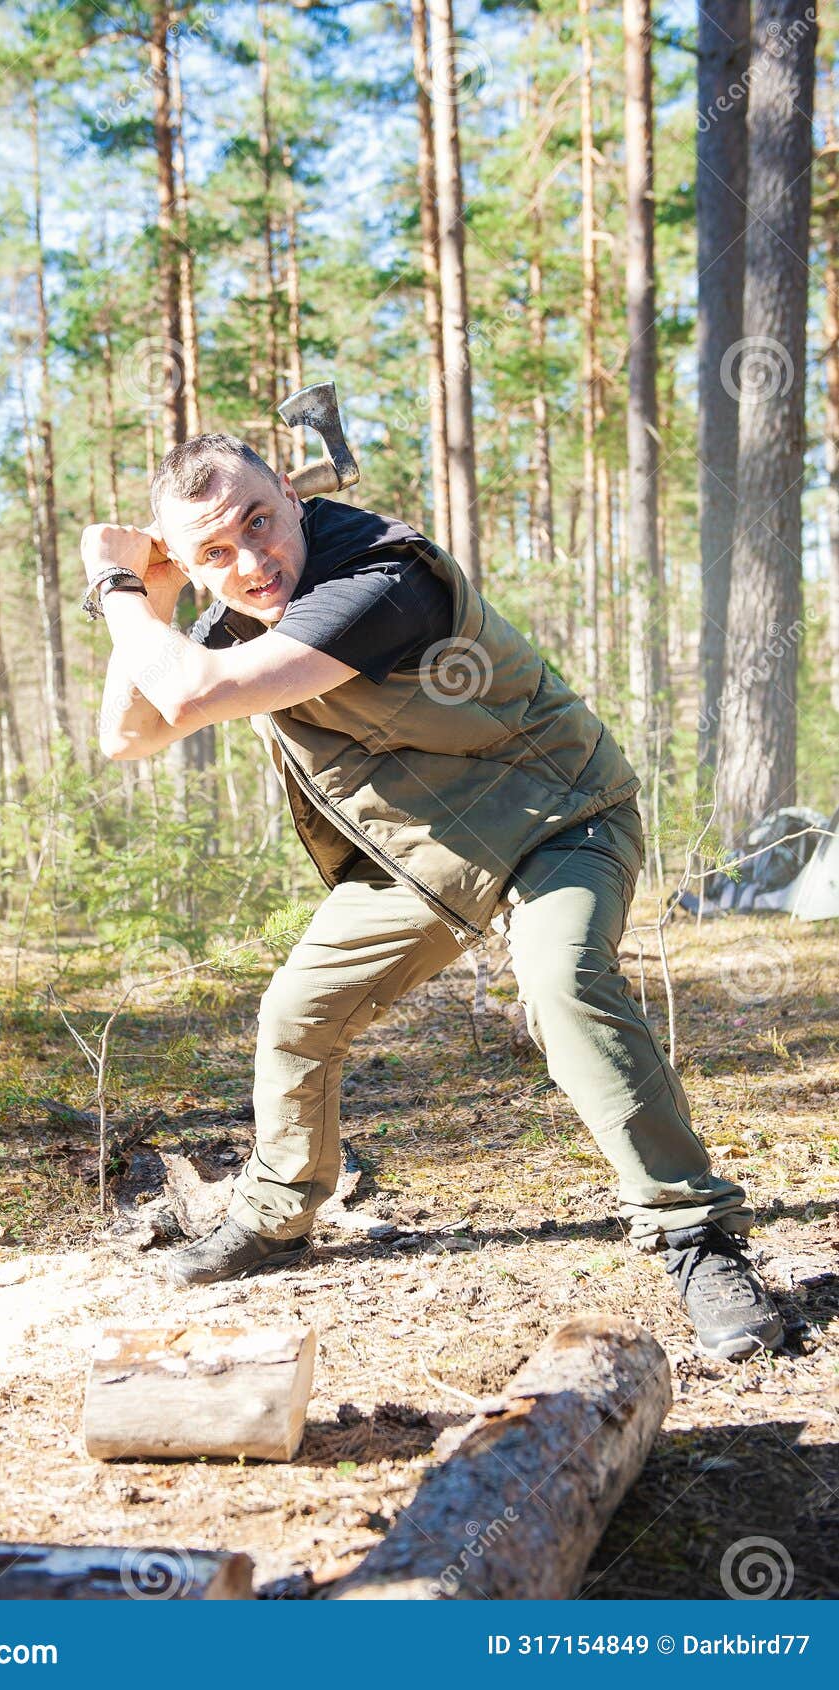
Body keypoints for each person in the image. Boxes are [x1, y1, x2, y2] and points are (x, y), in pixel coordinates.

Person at [80, 432, 783, 1363]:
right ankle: (276, 1213)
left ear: (292, 494)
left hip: (557, 817)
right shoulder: (232, 617)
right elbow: (127, 735)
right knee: (298, 1012)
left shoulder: (378, 580)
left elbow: (194, 692)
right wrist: (159, 600)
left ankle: (696, 1237)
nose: (253, 562)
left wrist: (117, 588)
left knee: (561, 980)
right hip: (426, 855)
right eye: (215, 552)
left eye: (260, 522)